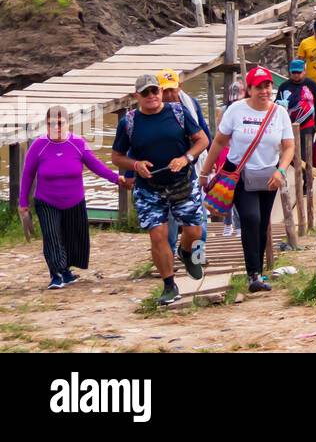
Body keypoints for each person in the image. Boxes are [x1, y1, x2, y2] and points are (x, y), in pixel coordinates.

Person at [110, 73, 209, 306]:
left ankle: (186, 253)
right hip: (149, 188)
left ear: (161, 92)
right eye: (145, 93)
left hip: (182, 183)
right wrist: (135, 165)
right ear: (137, 96)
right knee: (158, 235)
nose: (151, 96)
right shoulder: (129, 122)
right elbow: (116, 157)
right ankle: (169, 285)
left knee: (194, 231)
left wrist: (186, 158)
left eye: (155, 91)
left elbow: (202, 140)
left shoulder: (178, 112)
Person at [201, 66, 294, 294]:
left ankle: (258, 272)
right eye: (258, 87)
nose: (264, 91)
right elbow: (219, 142)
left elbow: (289, 146)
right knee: (251, 218)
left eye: (267, 86)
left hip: (268, 175)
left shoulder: (279, 113)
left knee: (262, 224)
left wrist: (281, 171)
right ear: (249, 89)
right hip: (239, 173)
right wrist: (205, 172)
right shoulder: (235, 111)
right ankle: (253, 274)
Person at [20, 106, 124, 290]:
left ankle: (66, 271)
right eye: (52, 124)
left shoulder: (78, 143)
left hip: (74, 200)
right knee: (52, 237)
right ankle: (56, 274)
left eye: (60, 123)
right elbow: (27, 174)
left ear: (68, 124)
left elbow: (96, 166)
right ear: (46, 124)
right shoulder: (38, 146)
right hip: (46, 200)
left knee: (71, 238)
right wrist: (23, 203)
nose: (56, 127)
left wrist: (117, 179)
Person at [157, 69, 211, 257]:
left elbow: (205, 136)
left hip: (191, 168)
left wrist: (208, 161)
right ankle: (170, 255)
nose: (170, 95)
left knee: (198, 215)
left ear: (180, 87)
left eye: (173, 89)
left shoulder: (190, 106)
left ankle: (198, 255)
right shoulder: (152, 113)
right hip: (165, 173)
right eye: (165, 91)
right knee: (169, 217)